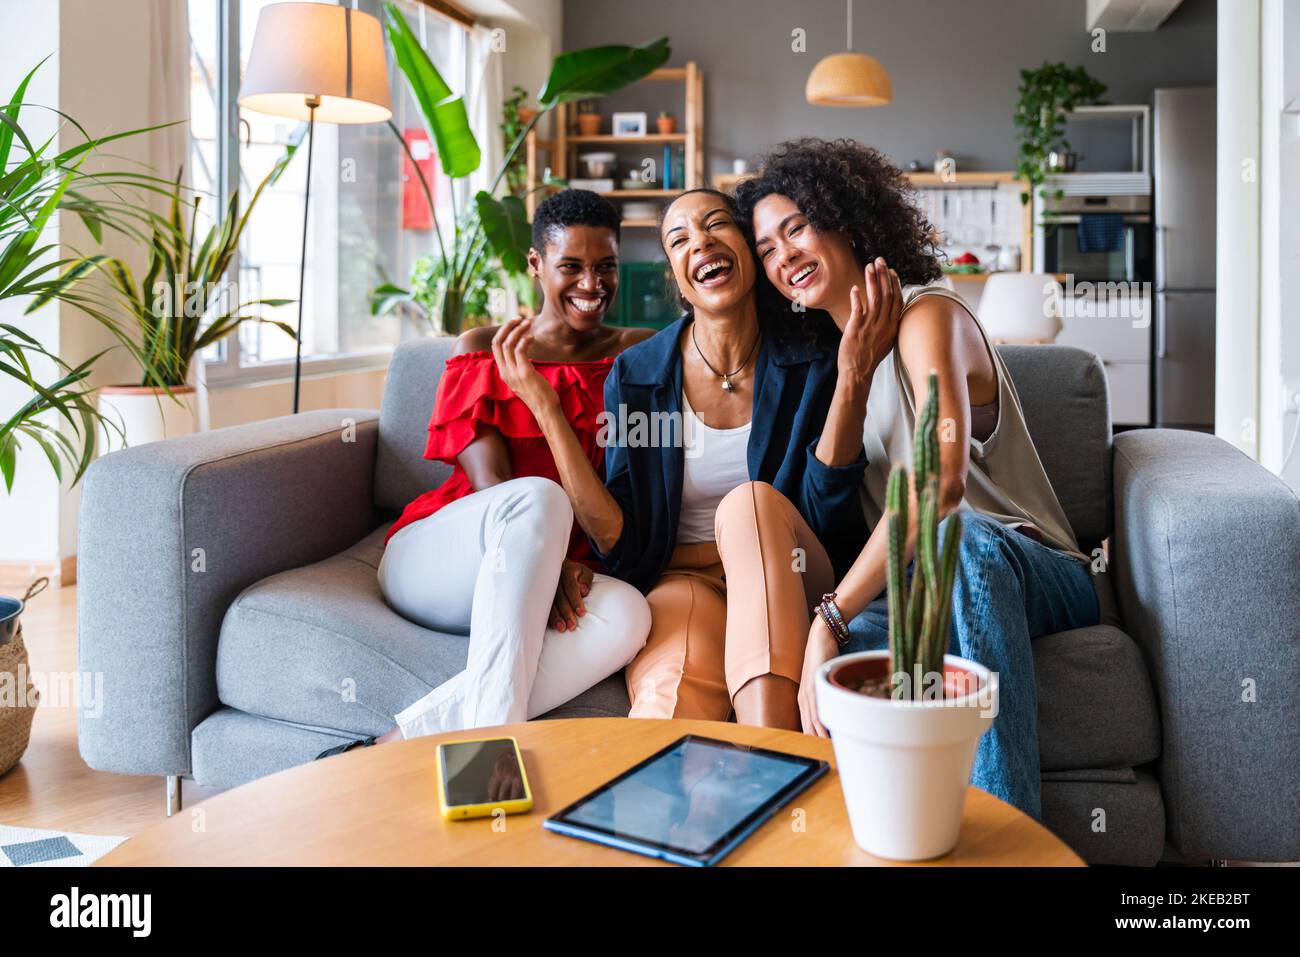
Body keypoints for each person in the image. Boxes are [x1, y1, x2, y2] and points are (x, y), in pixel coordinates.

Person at [739, 139, 1101, 818]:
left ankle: (1012, 851)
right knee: (803, 656)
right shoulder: (837, 361)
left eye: (796, 228)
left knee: (956, 540)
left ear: (845, 220)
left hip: (1029, 566)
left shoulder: (928, 316)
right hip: (920, 589)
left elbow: (940, 488)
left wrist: (834, 614)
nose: (782, 255)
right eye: (765, 248)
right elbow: (826, 510)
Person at [495, 188, 885, 730]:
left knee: (747, 506)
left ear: (749, 250)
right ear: (677, 277)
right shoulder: (638, 374)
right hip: (685, 577)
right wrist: (546, 408)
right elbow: (620, 542)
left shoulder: (814, 354)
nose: (699, 242)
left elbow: (829, 515)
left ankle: (771, 759)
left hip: (794, 570)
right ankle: (651, 802)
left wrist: (852, 379)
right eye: (678, 239)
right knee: (668, 698)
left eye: (717, 225)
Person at [368, 189, 654, 743]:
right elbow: (490, 489)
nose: (592, 285)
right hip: (444, 562)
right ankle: (488, 764)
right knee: (537, 495)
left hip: (552, 577)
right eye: (571, 265)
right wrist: (545, 566)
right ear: (535, 265)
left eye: (606, 267)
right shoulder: (484, 347)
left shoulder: (637, 356)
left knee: (629, 615)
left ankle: (394, 744)